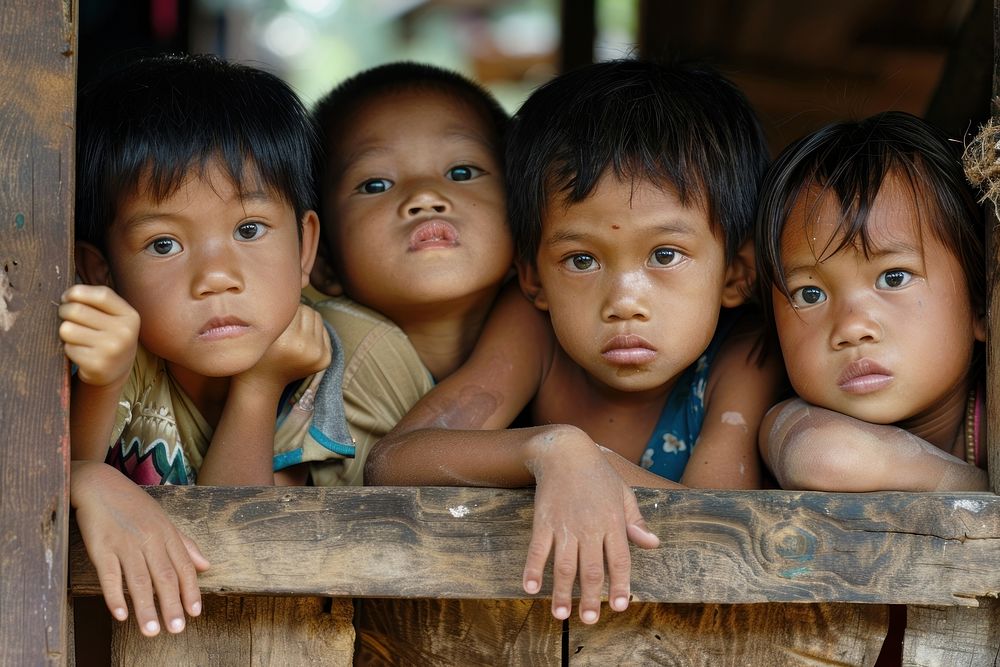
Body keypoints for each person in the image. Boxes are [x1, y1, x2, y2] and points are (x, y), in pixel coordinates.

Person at [367, 58, 785, 625]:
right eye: (581, 259)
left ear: (738, 273)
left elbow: (713, 523)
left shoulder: (744, 353)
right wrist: (554, 451)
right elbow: (394, 461)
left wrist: (596, 468)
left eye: (665, 255)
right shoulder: (535, 329)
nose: (623, 299)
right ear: (533, 277)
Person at [61, 53, 354, 632]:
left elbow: (238, 551)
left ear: (304, 247)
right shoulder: (114, 357)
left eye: (249, 230)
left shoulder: (349, 351)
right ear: (99, 271)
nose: (216, 277)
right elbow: (39, 477)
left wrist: (259, 387)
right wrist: (85, 474)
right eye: (164, 244)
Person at [755, 111, 989, 493]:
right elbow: (830, 458)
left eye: (893, 277)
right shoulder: (791, 421)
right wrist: (977, 490)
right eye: (809, 294)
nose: (851, 328)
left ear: (981, 305)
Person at [304, 61, 513, 487]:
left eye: (462, 172)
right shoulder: (326, 355)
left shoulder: (556, 335)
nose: (424, 196)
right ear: (322, 260)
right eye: (376, 184)